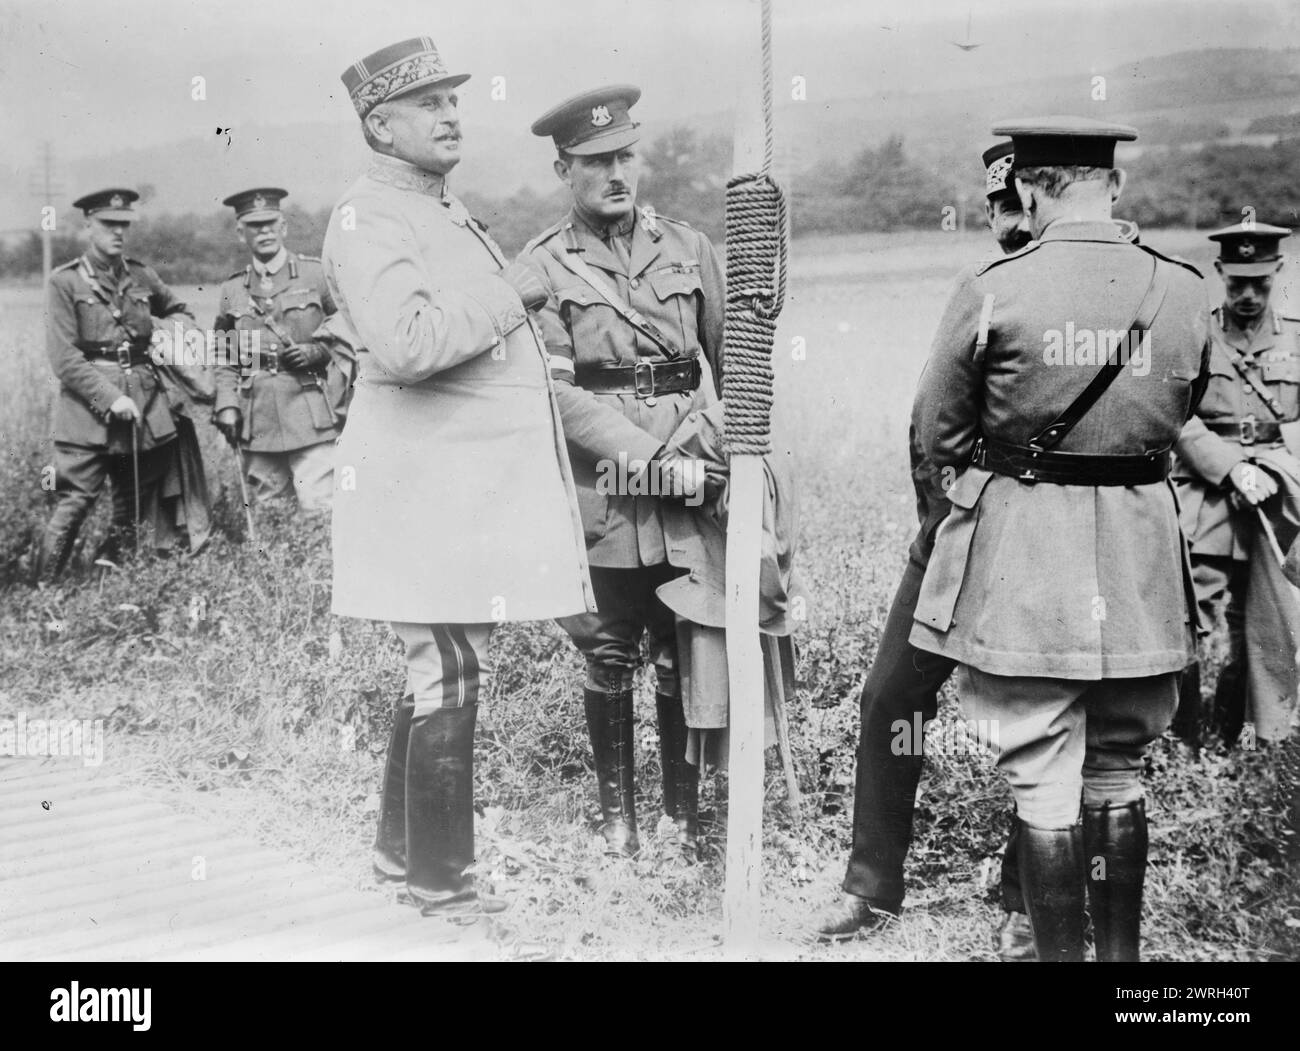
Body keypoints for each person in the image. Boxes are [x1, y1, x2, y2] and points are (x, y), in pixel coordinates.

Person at [907, 117, 1210, 962]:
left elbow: (935, 437)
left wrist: (966, 535)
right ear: (1112, 187)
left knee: (1041, 770)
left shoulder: (995, 287)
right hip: (1143, 565)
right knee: (1119, 766)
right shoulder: (1184, 288)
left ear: (1032, 187)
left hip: (1025, 564)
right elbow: (1189, 418)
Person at [322, 36, 595, 916]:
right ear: (379, 123)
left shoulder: (437, 207)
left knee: (443, 668)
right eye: (429, 103)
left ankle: (402, 862)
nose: (450, 114)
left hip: (450, 495)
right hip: (419, 494)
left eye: (453, 99)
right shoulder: (370, 217)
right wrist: (514, 292)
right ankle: (445, 884)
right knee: (446, 672)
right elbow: (406, 345)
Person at [812, 143, 1036, 956]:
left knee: (1037, 711)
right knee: (888, 698)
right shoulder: (979, 293)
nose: (1010, 224)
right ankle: (872, 884)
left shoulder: (1085, 294)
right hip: (949, 535)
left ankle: (1023, 894)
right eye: (997, 209)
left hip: (1036, 545)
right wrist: (946, 522)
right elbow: (930, 422)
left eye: (1021, 204)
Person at [518, 85, 725, 858]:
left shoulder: (689, 246)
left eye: (625, 156)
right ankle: (619, 826)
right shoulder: (541, 267)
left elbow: (736, 370)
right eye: (595, 161)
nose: (616, 173)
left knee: (682, 639)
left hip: (691, 481)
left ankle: (684, 817)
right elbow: (554, 391)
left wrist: (711, 455)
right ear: (564, 169)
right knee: (608, 649)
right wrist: (649, 461)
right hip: (604, 486)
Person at [1172, 223, 1300, 749]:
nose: (1248, 296)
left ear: (1278, 273)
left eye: (1261, 284)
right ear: (1220, 272)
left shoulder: (1296, 337)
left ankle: (1243, 729)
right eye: (1237, 283)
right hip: (1206, 493)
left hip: (1276, 501)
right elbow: (1174, 414)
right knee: (1187, 614)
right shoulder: (1195, 336)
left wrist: (1272, 469)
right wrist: (1229, 467)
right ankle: (1177, 732)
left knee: (1265, 618)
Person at [34, 189, 197, 581]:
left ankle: (110, 584)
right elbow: (64, 358)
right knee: (74, 501)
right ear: (88, 225)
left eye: (124, 225)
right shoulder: (65, 282)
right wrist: (110, 398)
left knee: (134, 503)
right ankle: (43, 590)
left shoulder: (142, 275)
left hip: (144, 407)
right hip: (88, 415)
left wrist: (166, 333)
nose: (118, 233)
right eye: (109, 224)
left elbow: (180, 311)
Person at [212, 188, 348, 513]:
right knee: (269, 512)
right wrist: (227, 405)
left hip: (310, 411)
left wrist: (318, 351)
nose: (265, 232)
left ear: (284, 227)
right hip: (258, 419)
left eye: (271, 224)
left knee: (321, 505)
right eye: (255, 225)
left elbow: (347, 326)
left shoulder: (315, 275)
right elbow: (224, 356)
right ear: (240, 232)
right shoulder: (233, 290)